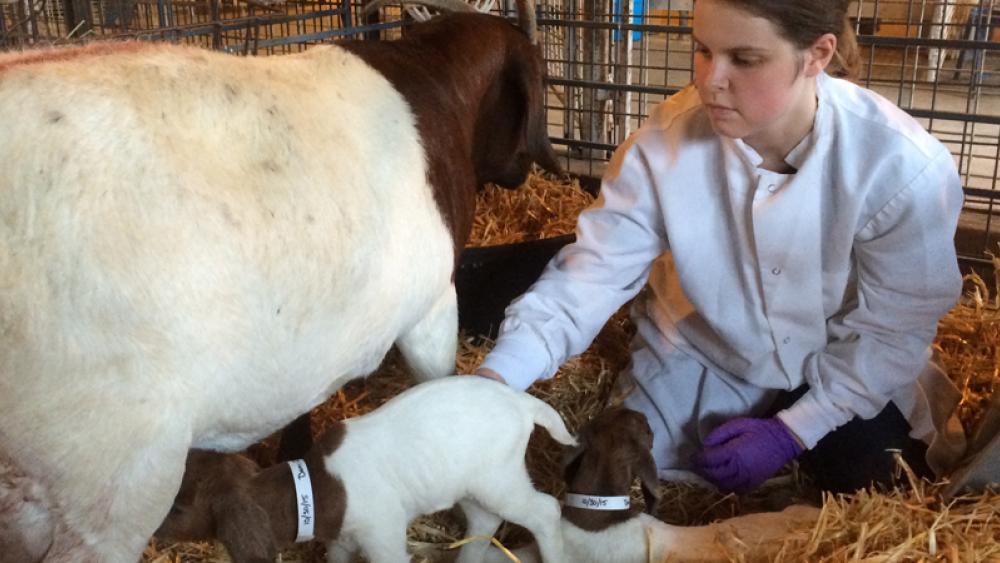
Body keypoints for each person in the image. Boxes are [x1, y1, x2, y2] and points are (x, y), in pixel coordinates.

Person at [476, 0, 968, 494]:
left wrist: (793, 431)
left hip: (837, 357)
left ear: (817, 55)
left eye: (745, 59)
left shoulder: (899, 166)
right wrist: (494, 382)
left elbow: (893, 330)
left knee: (878, 480)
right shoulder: (664, 143)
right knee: (613, 483)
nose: (711, 79)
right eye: (704, 50)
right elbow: (594, 274)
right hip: (706, 350)